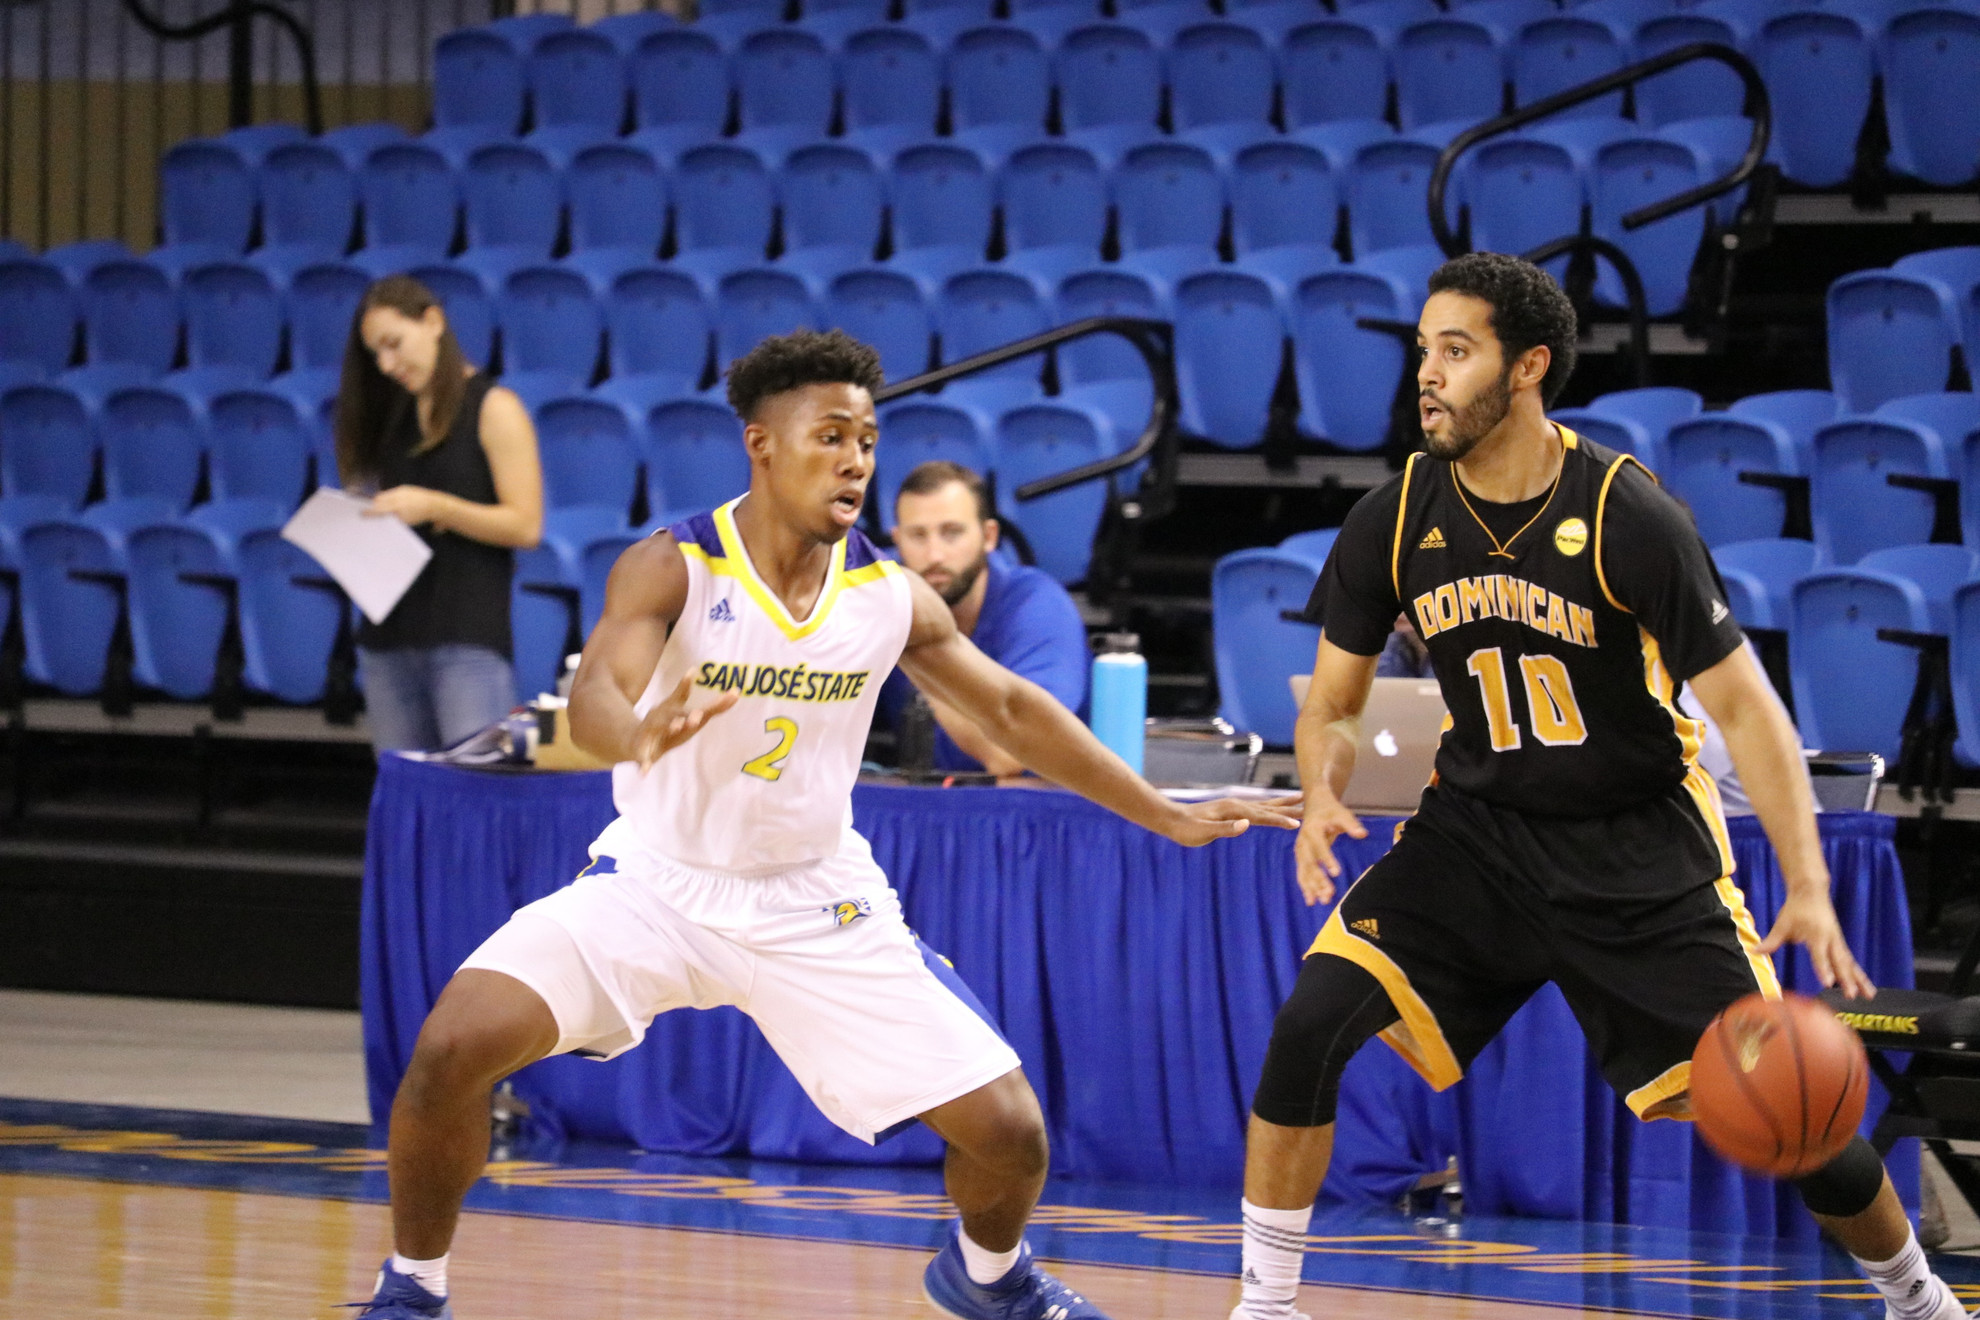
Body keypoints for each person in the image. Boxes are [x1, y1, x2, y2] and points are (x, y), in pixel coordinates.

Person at [348, 329, 1299, 1320]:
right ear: (761, 444)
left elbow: (1014, 712)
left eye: (869, 440)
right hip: (656, 885)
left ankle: (987, 1277)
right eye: (831, 436)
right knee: (450, 1052)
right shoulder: (674, 565)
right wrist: (637, 733)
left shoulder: (885, 595)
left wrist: (1162, 810)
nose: (855, 459)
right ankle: (413, 1289)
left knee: (1012, 1134)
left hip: (815, 899)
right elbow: (593, 697)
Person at [1230, 253, 1957, 1320]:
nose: (1424, 375)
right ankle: (1265, 1305)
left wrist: (1804, 878)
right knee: (1310, 1025)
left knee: (1790, 1114)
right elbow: (1334, 704)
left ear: (1526, 368)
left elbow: (1750, 711)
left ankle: (1916, 1297)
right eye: (1421, 349)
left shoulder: (1626, 514)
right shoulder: (1393, 517)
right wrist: (1327, 781)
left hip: (1638, 852)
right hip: (1475, 838)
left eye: (1455, 350)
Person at [336, 275, 543, 753]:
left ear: (432, 321)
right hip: (389, 635)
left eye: (394, 345)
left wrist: (435, 507)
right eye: (376, 355)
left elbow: (526, 524)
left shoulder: (493, 407)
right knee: (408, 791)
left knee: (473, 791)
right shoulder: (395, 418)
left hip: (465, 633)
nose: (387, 365)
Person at [880, 460, 1091, 778]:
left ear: (989, 536)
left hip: (1035, 812)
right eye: (918, 535)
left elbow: (1015, 755)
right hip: (931, 801)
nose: (935, 554)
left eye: (952, 533)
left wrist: (917, 651)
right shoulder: (879, 595)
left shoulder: (1038, 607)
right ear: (897, 541)